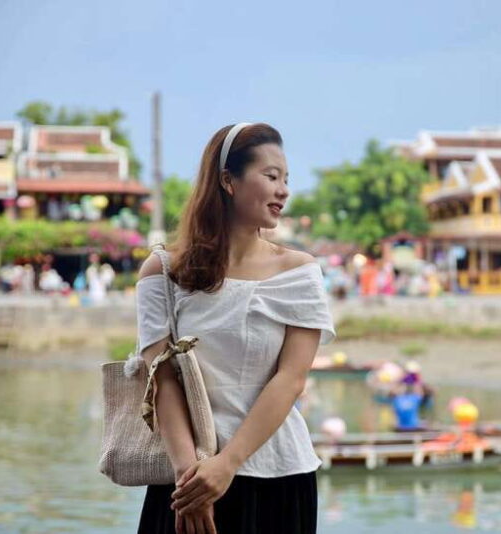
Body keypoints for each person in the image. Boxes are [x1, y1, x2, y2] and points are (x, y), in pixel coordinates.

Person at [134, 123, 335, 534]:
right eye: (271, 176)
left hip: (276, 476)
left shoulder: (299, 272)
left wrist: (226, 465)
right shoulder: (163, 271)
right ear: (228, 180)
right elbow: (162, 380)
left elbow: (291, 379)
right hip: (182, 483)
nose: (283, 190)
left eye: (286, 179)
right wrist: (190, 476)